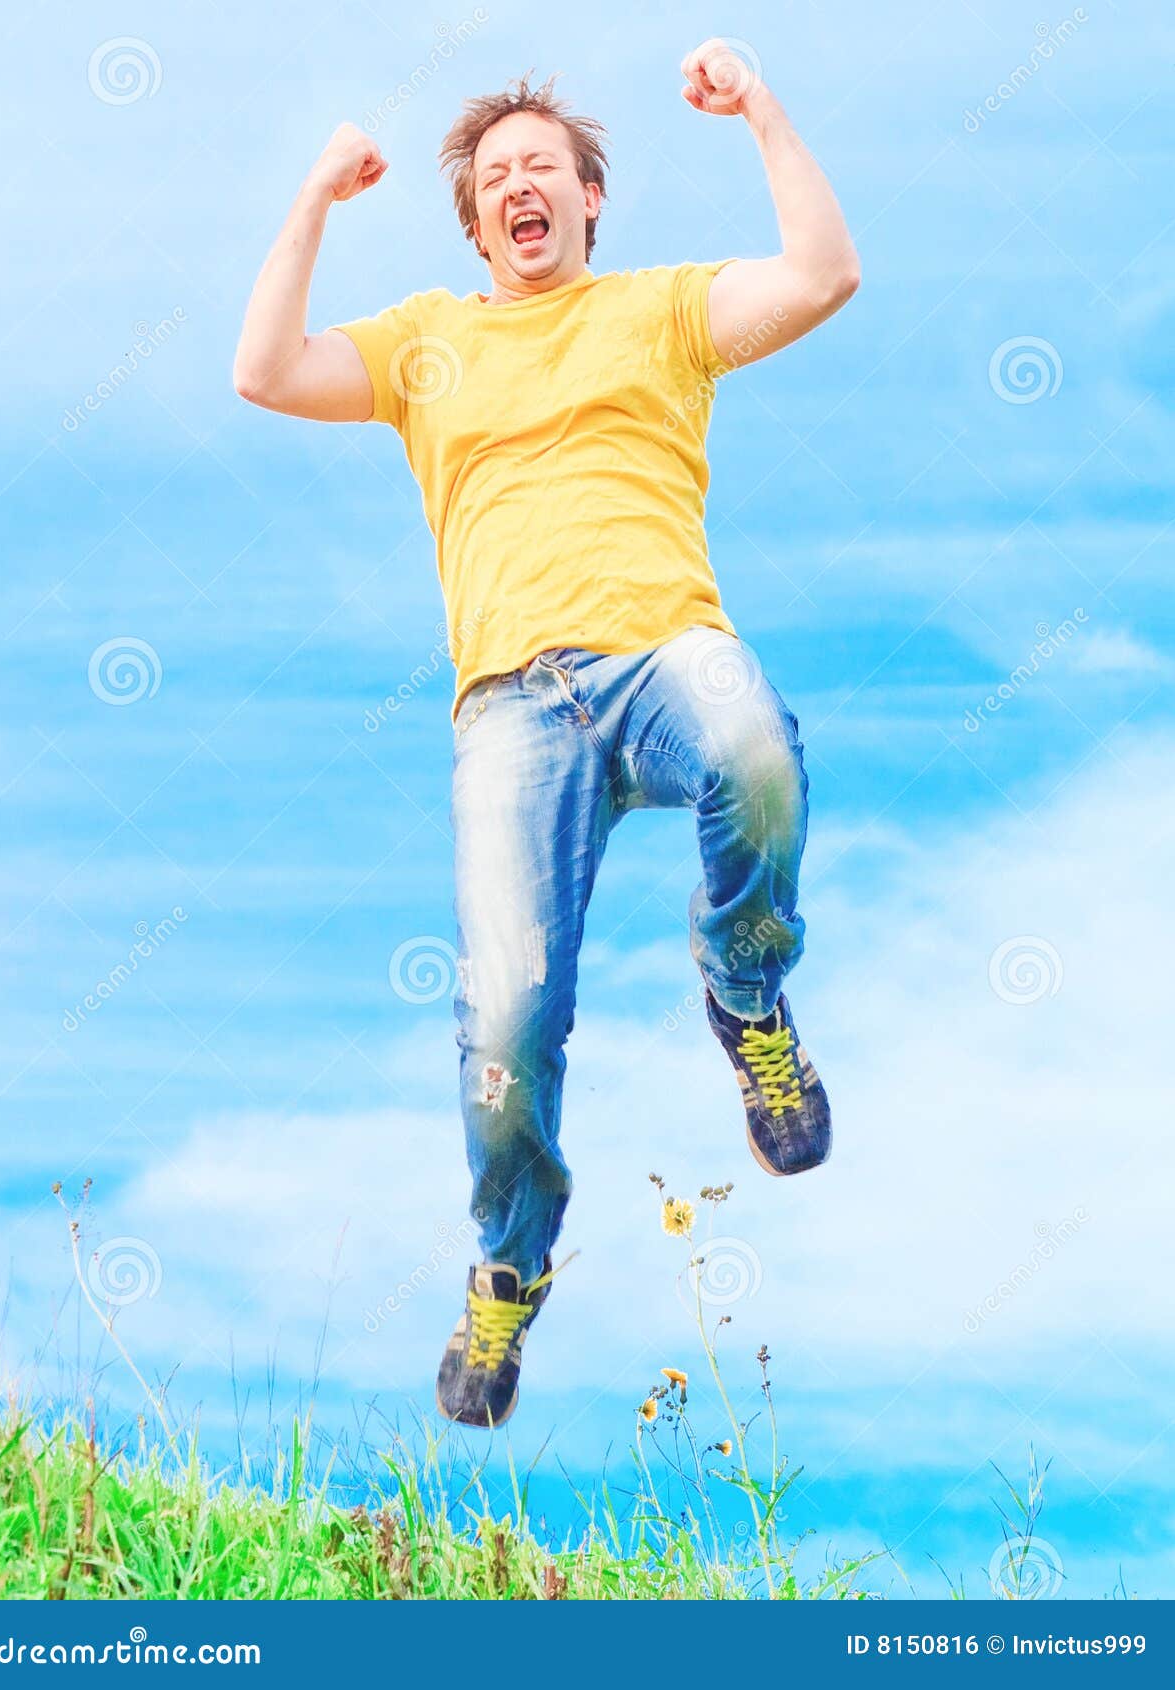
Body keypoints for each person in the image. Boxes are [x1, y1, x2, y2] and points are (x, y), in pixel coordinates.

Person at [233, 39, 860, 1428]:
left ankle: (747, 997)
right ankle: (506, 1273)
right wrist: (315, 199)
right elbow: (264, 370)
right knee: (508, 1026)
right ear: (476, 225)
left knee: (753, 746)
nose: (522, 187)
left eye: (545, 170)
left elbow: (821, 273)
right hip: (512, 712)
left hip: (660, 652)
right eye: (496, 179)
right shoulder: (423, 343)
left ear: (588, 198)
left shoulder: (661, 308)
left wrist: (761, 103)